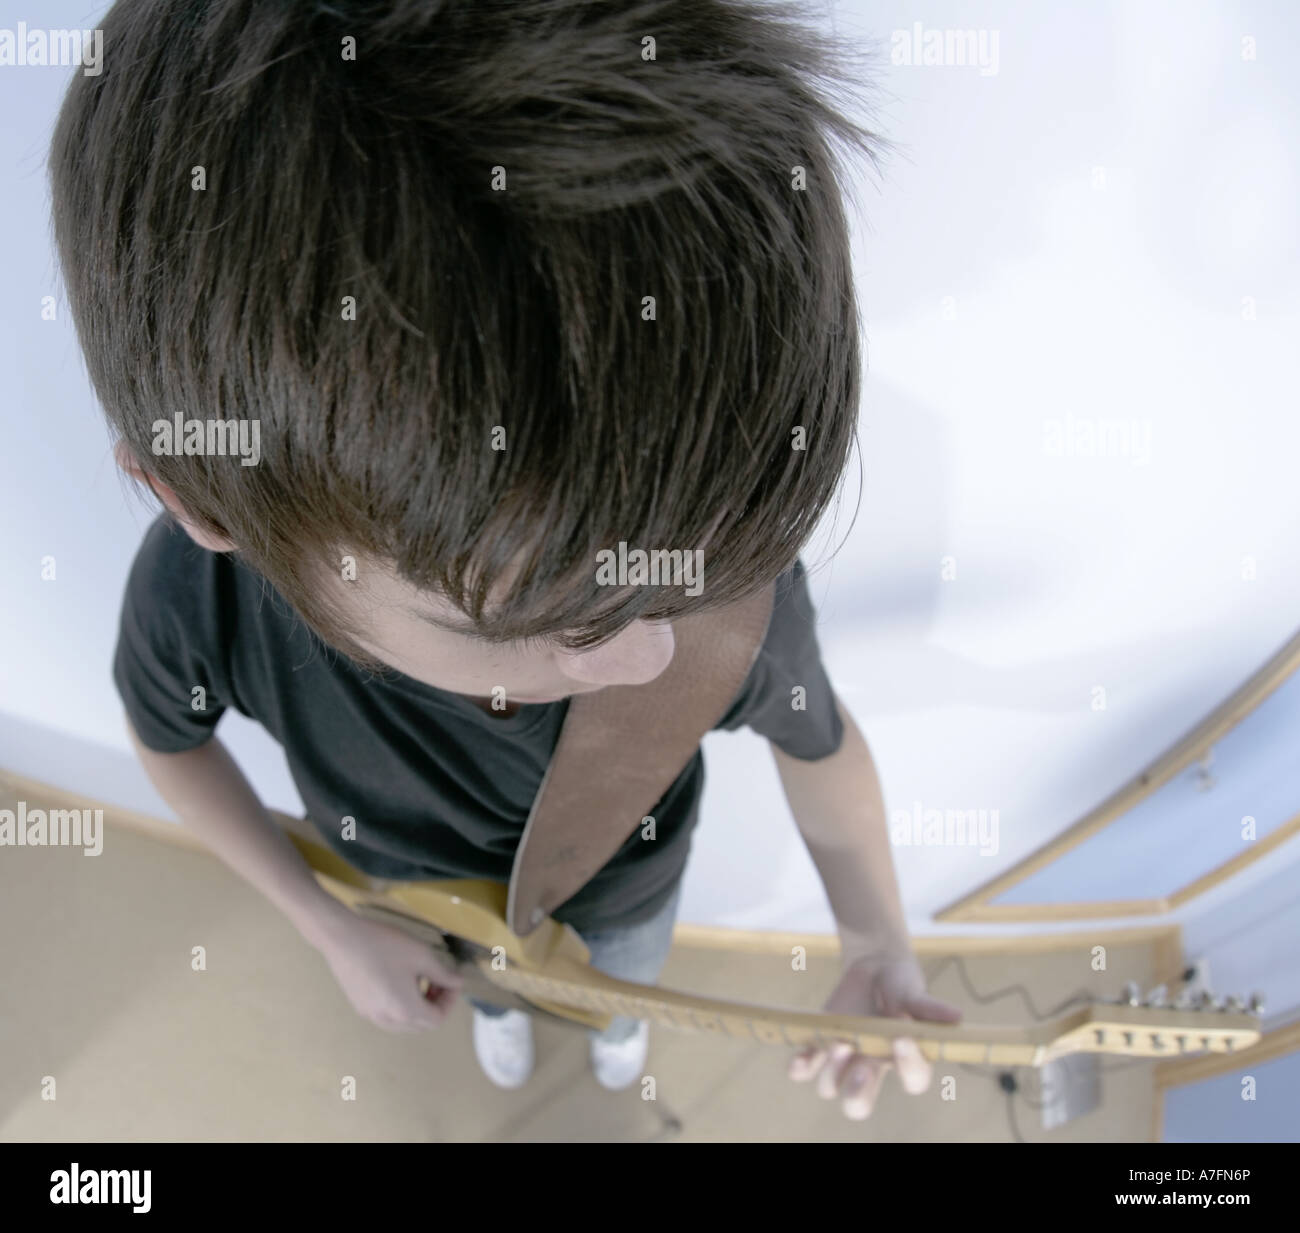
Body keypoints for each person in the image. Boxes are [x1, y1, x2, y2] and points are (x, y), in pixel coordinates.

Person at [49, 0, 960, 1119]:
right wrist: (328, 929)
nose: (649, 662)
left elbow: (818, 743)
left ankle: (618, 1027)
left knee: (620, 986)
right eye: (533, 620)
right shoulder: (199, 603)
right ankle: (503, 1017)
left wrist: (875, 935)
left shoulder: (707, 596)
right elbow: (170, 746)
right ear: (200, 503)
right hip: (406, 898)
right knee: (487, 990)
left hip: (620, 886)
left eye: (689, 587)